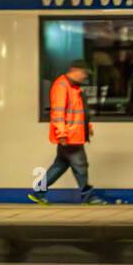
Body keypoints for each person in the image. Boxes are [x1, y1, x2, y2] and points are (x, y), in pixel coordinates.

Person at [29, 59, 100, 204]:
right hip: (69, 136)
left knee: (60, 165)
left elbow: (79, 112)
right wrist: (61, 133)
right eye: (84, 73)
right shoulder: (62, 86)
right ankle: (88, 196)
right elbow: (58, 112)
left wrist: (88, 127)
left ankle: (38, 192)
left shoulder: (74, 87)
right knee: (80, 165)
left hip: (75, 134)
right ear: (74, 70)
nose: (85, 76)